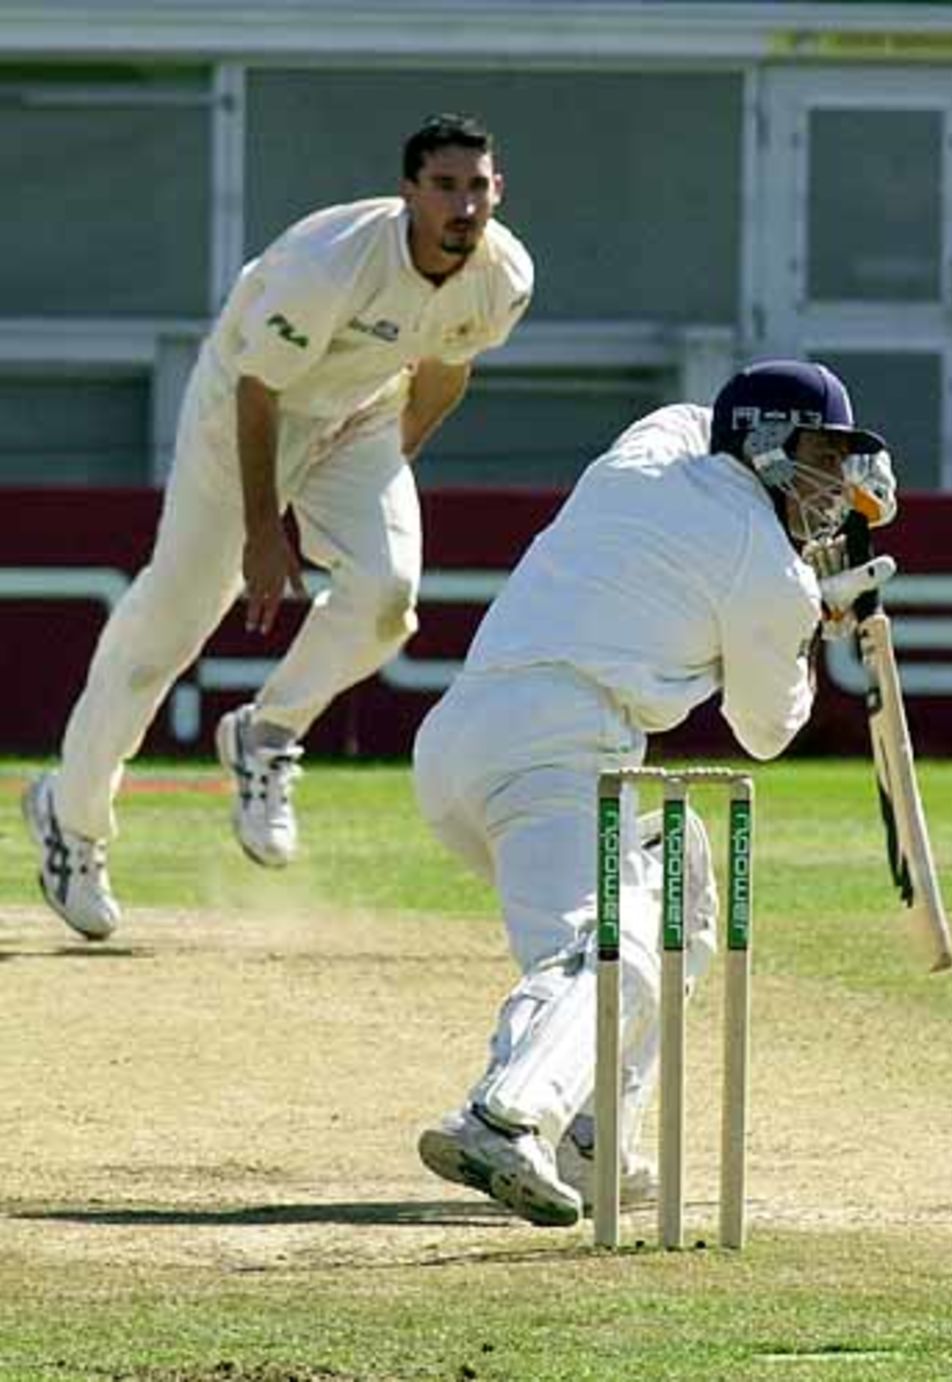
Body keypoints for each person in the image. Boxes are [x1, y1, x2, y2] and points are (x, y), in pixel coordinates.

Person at [23, 112, 534, 942]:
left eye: (477, 186)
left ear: (498, 191)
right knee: (168, 634)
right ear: (410, 193)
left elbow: (445, 371)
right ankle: (70, 823)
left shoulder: (503, 275)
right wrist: (268, 531)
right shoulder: (328, 265)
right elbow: (259, 393)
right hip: (245, 415)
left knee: (388, 592)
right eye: (444, 187)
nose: (463, 206)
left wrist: (378, 471)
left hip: (361, 417)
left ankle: (266, 734)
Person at [411, 358, 898, 1226]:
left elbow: (692, 436)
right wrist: (812, 622)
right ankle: (507, 1115)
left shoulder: (652, 448)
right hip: (557, 750)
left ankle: (590, 1141)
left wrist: (799, 592)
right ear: (767, 443)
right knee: (616, 944)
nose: (833, 489)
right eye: (824, 456)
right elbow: (767, 731)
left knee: (684, 887)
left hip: (466, 736)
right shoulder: (769, 573)